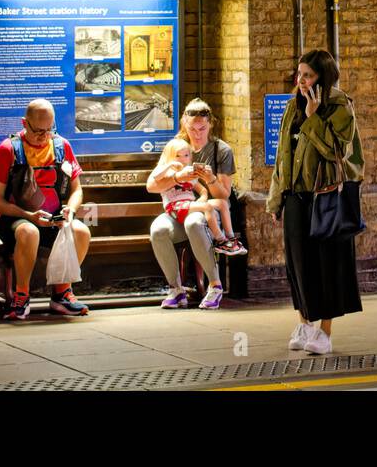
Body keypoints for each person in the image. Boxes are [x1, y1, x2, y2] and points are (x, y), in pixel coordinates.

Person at [266, 50, 364, 356]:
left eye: (308, 75)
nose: (301, 80)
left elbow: (337, 152)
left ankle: (325, 331)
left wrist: (312, 117)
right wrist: (276, 198)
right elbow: (283, 156)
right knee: (298, 265)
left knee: (327, 265)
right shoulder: (292, 106)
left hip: (326, 197)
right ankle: (304, 323)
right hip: (296, 197)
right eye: (299, 74)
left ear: (323, 76)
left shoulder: (338, 105)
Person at [0, 98, 91, 320]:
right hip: (16, 218)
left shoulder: (62, 146)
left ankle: (62, 293)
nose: (44, 136)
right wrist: (28, 216)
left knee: (81, 231)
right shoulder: (9, 150)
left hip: (51, 216)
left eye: (49, 130)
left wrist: (70, 211)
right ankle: (21, 296)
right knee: (29, 232)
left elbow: (77, 190)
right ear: (25, 123)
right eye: (38, 131)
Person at [147, 99, 243, 310]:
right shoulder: (177, 146)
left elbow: (224, 195)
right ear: (184, 124)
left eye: (202, 128)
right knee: (158, 229)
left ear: (210, 124)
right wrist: (178, 178)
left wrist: (210, 179)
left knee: (193, 223)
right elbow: (153, 185)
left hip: (208, 210)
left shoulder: (221, 150)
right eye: (192, 129)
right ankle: (176, 289)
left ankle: (215, 285)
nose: (197, 134)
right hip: (177, 208)